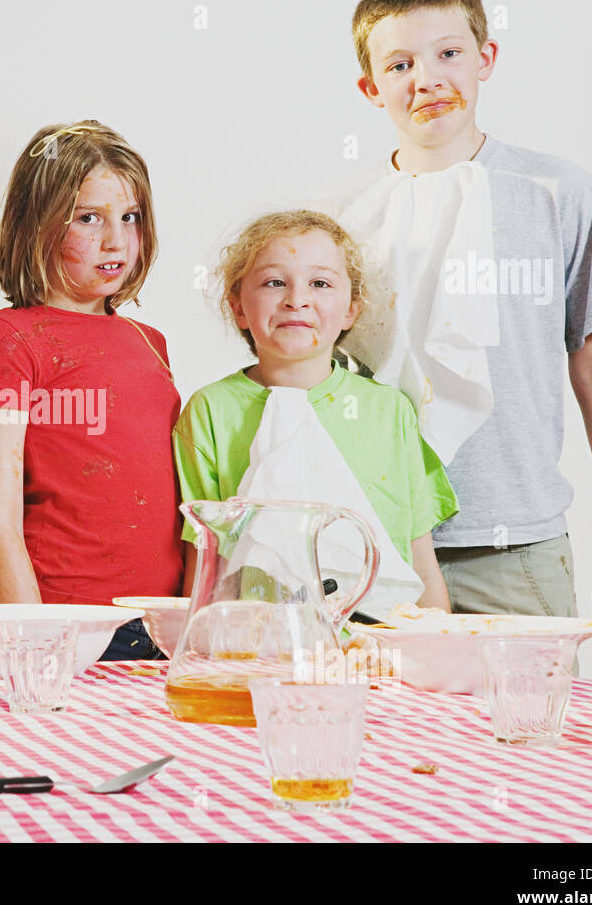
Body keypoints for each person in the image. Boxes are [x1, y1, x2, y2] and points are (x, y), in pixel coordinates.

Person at [342, 0, 592, 651]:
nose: (427, 79)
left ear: (486, 58)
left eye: (448, 53)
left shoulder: (555, 191)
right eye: (400, 65)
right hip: (384, 548)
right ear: (371, 87)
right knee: (396, 753)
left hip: (522, 545)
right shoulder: (347, 225)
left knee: (534, 745)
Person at [0, 121, 182, 660]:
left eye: (130, 218)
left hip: (162, 624)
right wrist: (35, 644)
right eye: (88, 219)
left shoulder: (150, 341)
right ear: (37, 226)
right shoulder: (4, 339)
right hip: (67, 627)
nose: (116, 240)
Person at [174, 211, 456, 609]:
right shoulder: (211, 411)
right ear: (238, 306)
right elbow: (205, 566)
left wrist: (437, 648)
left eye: (320, 283)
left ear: (351, 311)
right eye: (275, 282)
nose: (297, 300)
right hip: (257, 644)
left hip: (380, 642)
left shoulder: (388, 410)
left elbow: (421, 562)